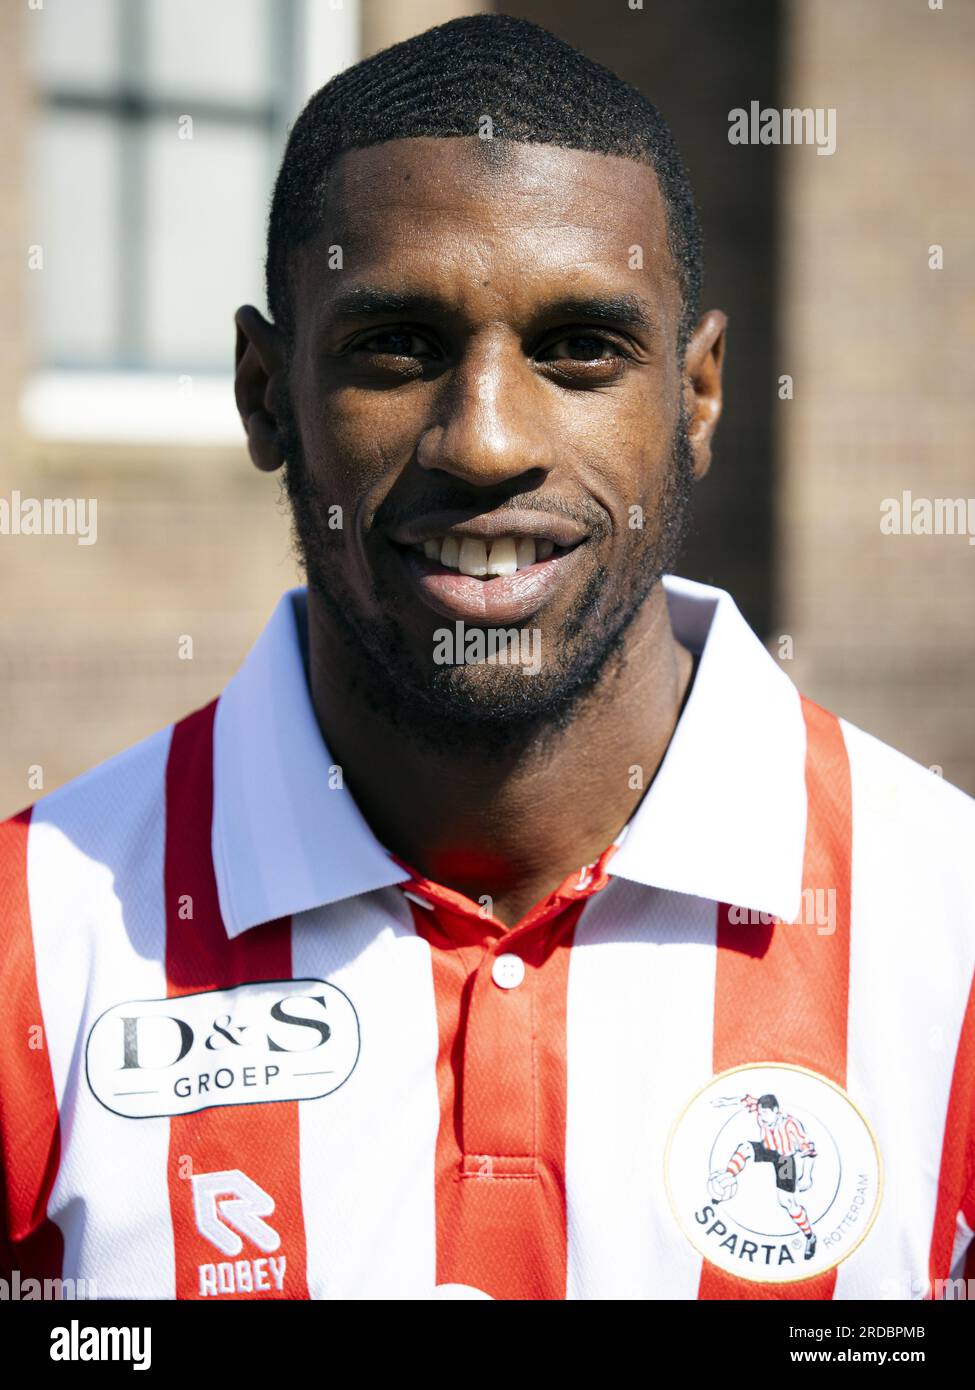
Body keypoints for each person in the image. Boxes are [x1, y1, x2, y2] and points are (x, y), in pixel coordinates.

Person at [2, 14, 972, 1302]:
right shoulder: (33, 942)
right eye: (395, 346)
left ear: (697, 398)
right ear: (264, 392)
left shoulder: (948, 939)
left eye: (580, 347)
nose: (485, 439)